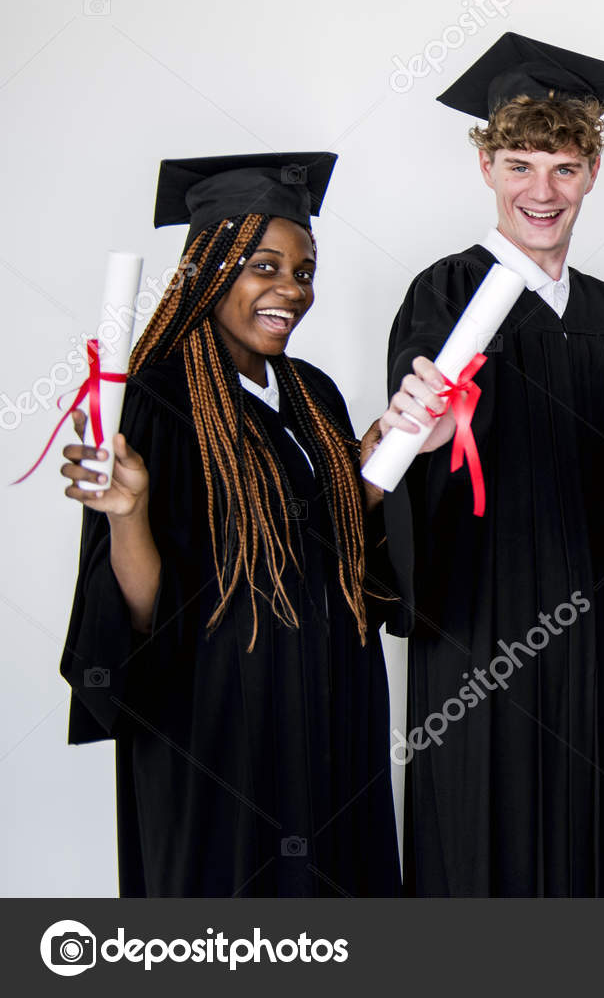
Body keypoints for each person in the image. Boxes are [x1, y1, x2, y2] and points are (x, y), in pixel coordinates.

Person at [59, 152, 401, 896]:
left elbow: (327, 546)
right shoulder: (157, 399)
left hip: (330, 705)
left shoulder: (313, 394)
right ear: (208, 270)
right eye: (264, 266)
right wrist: (128, 514)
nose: (290, 289)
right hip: (216, 724)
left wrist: (368, 468)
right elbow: (148, 613)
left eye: (304, 270)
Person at [378, 33, 604, 896]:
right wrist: (421, 433)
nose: (542, 190)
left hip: (586, 610)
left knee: (581, 821)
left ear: (593, 174)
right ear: (486, 166)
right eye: (520, 164)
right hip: (474, 608)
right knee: (475, 821)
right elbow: (405, 456)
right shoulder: (445, 291)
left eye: (564, 168)